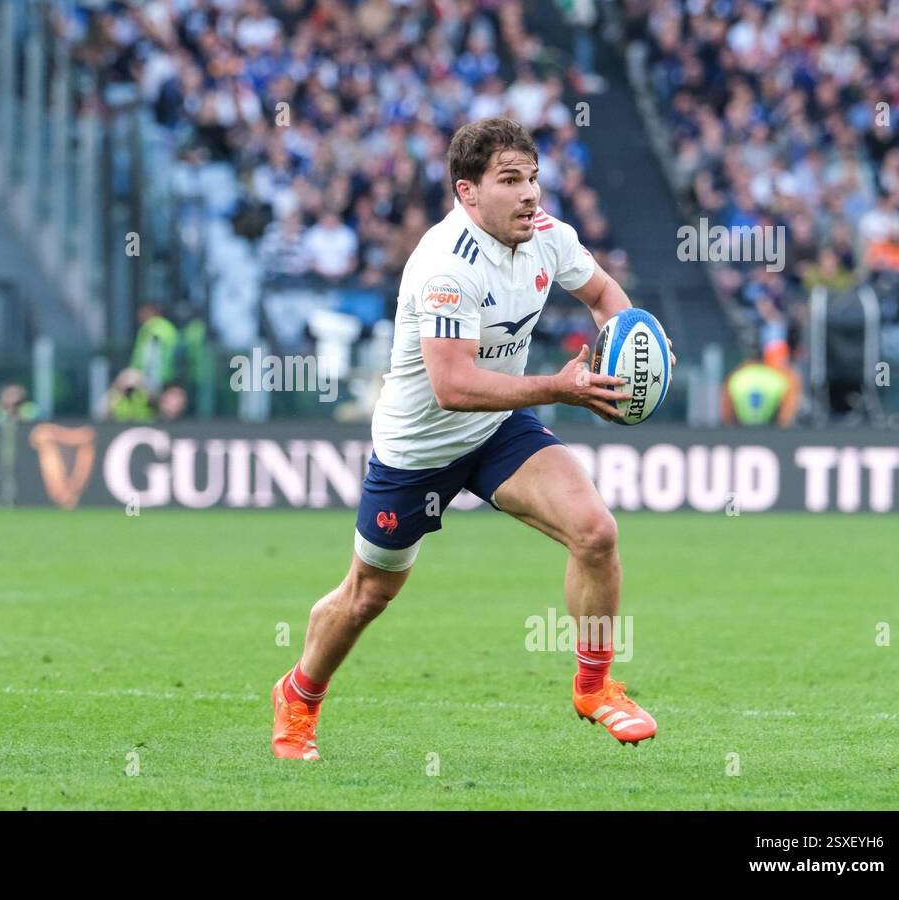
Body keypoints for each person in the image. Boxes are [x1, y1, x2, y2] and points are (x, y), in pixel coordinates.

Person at [271, 118, 675, 759]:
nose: (529, 195)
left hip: (495, 430)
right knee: (368, 594)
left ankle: (595, 688)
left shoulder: (548, 235)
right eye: (510, 181)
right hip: (419, 449)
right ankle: (298, 695)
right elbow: (453, 385)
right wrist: (560, 389)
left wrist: (625, 351)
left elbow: (602, 296)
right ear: (468, 193)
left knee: (595, 532)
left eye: (534, 178)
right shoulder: (444, 265)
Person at [720, 340, 802, 427]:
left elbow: (727, 414)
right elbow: (786, 416)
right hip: (771, 432)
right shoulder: (781, 378)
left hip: (740, 432)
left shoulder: (736, 376)